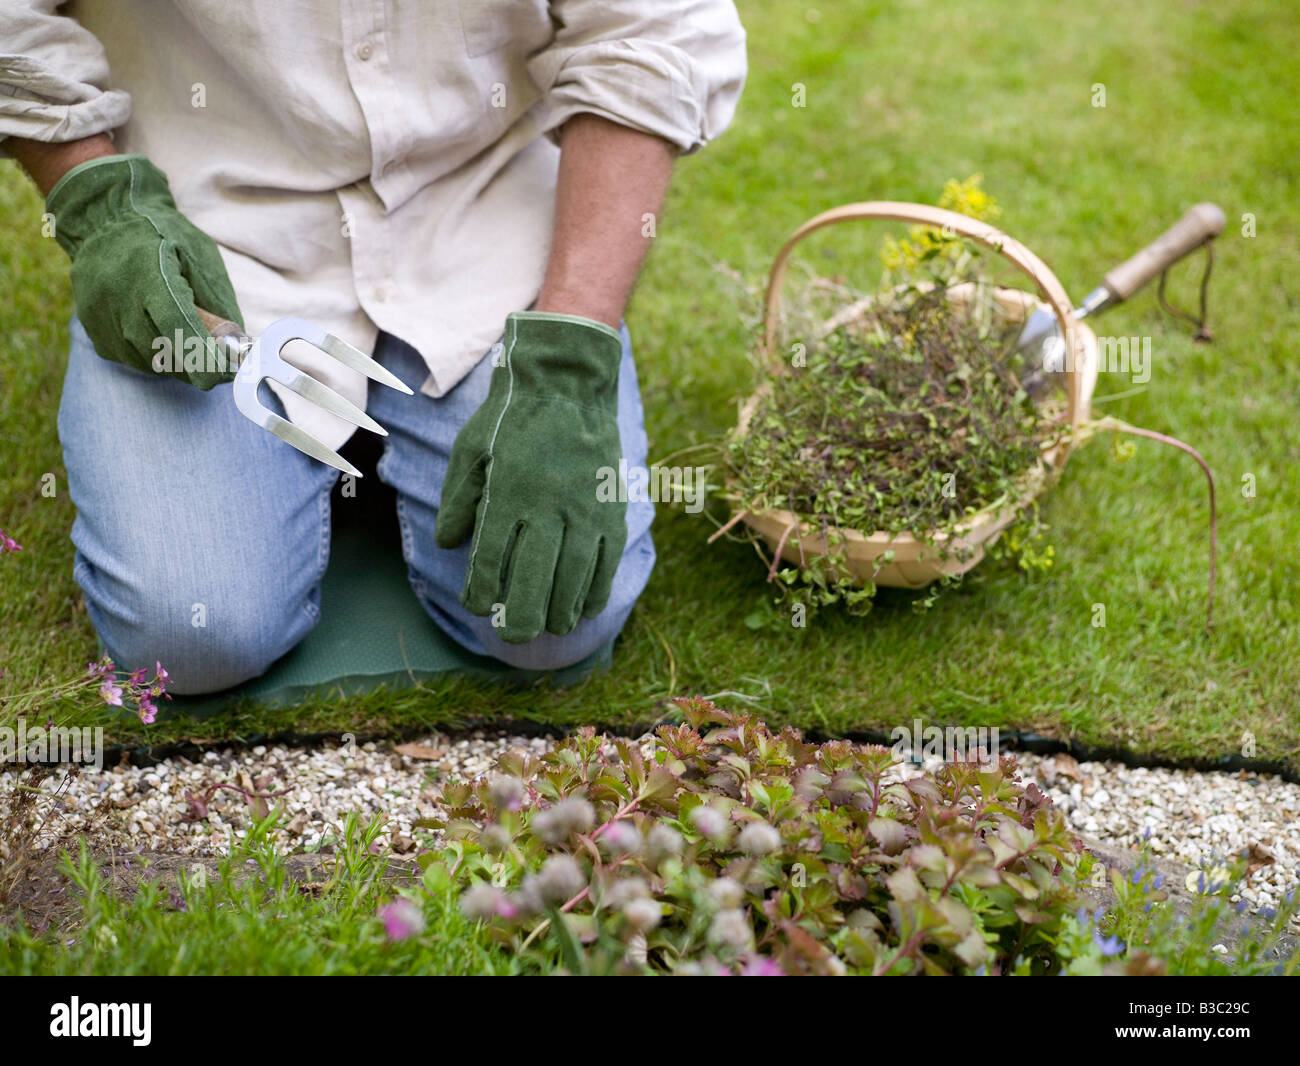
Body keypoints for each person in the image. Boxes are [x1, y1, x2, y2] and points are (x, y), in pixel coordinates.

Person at [0, 2, 747, 694]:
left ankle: (379, 449)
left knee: (552, 622)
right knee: (192, 637)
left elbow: (649, 32)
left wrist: (570, 350)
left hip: (477, 212)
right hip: (217, 235)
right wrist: (101, 201)